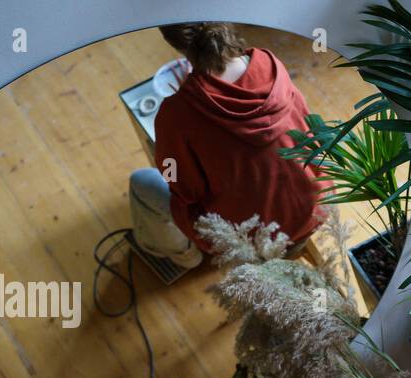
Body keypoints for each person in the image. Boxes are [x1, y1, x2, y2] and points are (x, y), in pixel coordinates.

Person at [128, 22, 323, 268]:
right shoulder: (269, 63)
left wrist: (170, 145)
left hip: (250, 236)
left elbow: (181, 187)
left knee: (141, 183)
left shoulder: (176, 114)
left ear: (172, 39)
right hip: (314, 204)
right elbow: (310, 128)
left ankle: (185, 257)